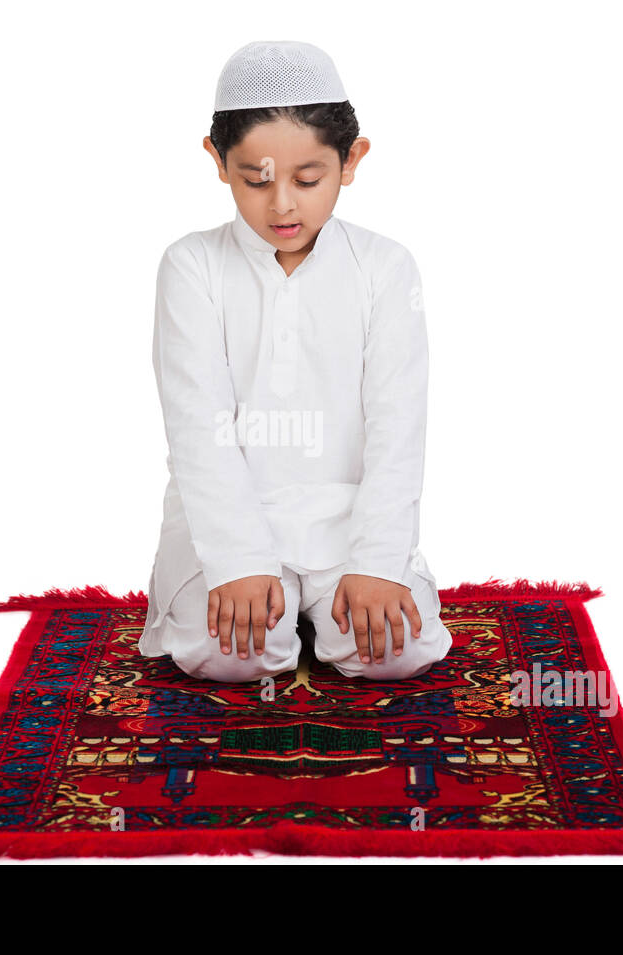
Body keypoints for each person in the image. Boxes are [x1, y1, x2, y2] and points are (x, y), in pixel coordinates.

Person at [138, 40, 453, 683]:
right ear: (218, 162)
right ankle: (268, 605)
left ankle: (338, 597)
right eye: (256, 179)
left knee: (398, 652)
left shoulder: (386, 267)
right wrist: (236, 562)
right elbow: (199, 429)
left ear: (352, 160)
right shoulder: (191, 265)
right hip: (227, 519)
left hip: (348, 519)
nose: (282, 204)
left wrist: (377, 562)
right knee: (235, 656)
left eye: (308, 180)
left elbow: (398, 428)